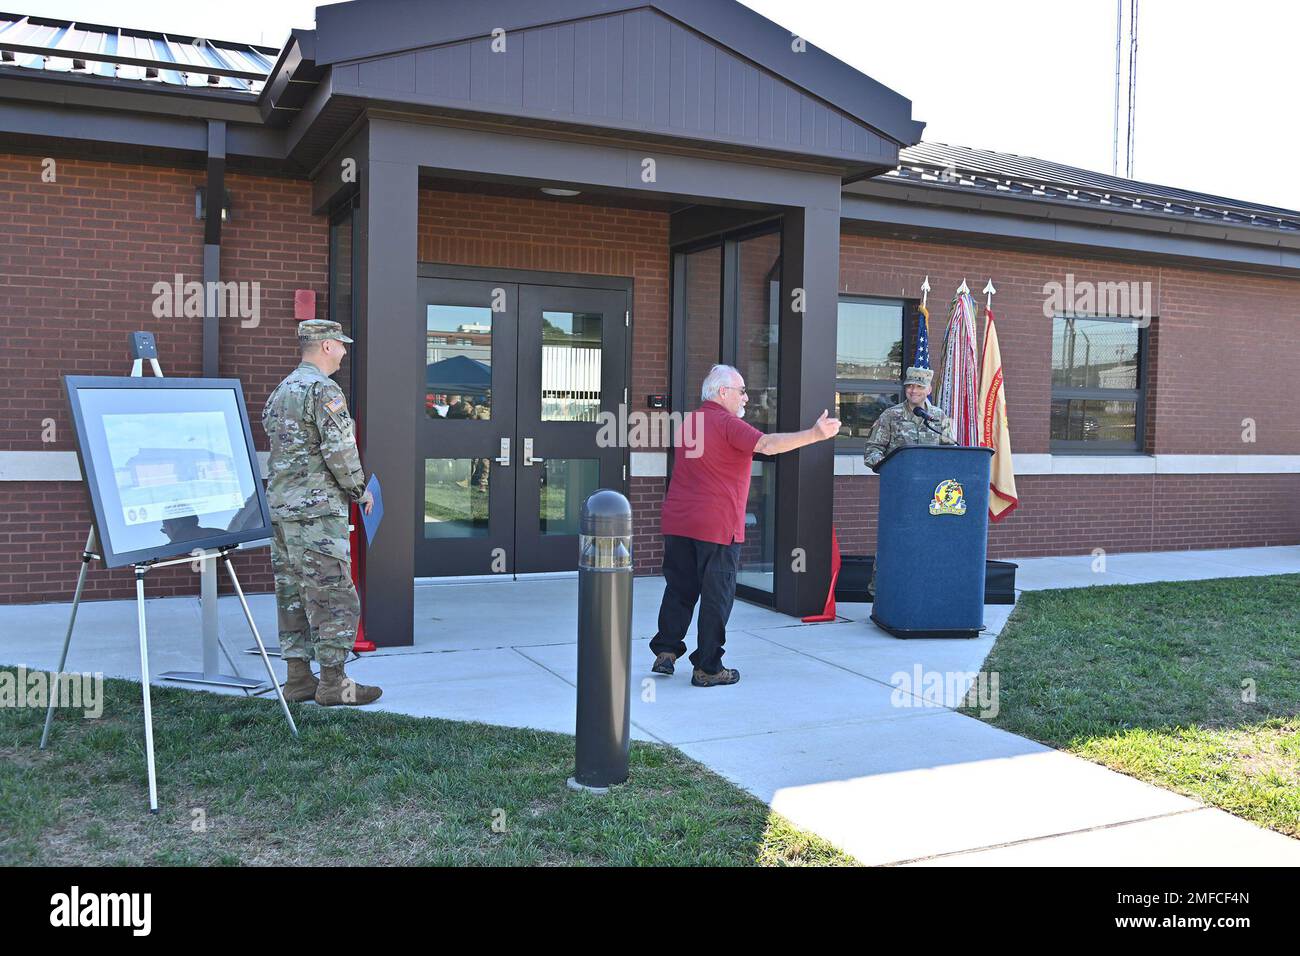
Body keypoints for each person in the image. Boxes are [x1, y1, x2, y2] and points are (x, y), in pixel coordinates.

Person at [650, 364, 841, 687]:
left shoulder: (690, 421)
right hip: (717, 526)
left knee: (680, 588)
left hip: (679, 521)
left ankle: (666, 650)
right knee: (716, 596)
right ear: (723, 392)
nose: (746, 398)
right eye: (741, 390)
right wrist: (814, 435)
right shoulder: (726, 423)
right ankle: (708, 668)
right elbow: (767, 445)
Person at [263, 319, 381, 706]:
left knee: (293, 594)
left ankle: (298, 679)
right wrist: (359, 490)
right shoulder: (323, 389)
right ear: (327, 346)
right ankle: (333, 684)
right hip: (316, 512)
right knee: (332, 595)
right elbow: (339, 449)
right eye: (341, 345)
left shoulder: (282, 390)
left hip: (282, 512)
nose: (345, 352)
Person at [862, 365, 957, 597]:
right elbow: (872, 451)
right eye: (910, 386)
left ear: (929, 389)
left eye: (919, 386)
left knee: (928, 544)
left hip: (931, 496)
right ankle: (881, 594)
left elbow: (951, 452)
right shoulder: (891, 416)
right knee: (892, 543)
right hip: (899, 493)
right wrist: (888, 468)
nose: (913, 390)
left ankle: (923, 591)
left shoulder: (939, 417)